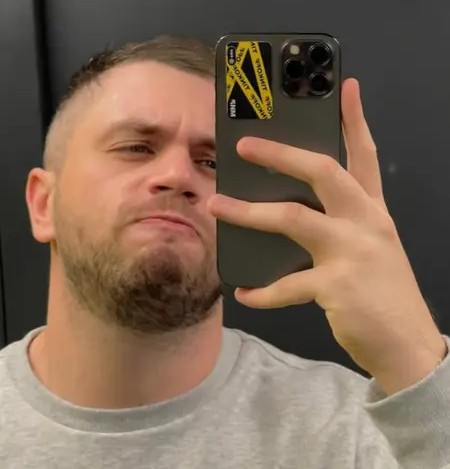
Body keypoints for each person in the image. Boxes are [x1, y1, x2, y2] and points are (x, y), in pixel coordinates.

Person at [0, 36, 449, 469]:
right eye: (136, 147)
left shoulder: (359, 432)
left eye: (213, 163)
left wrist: (413, 361)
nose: (177, 175)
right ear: (43, 204)